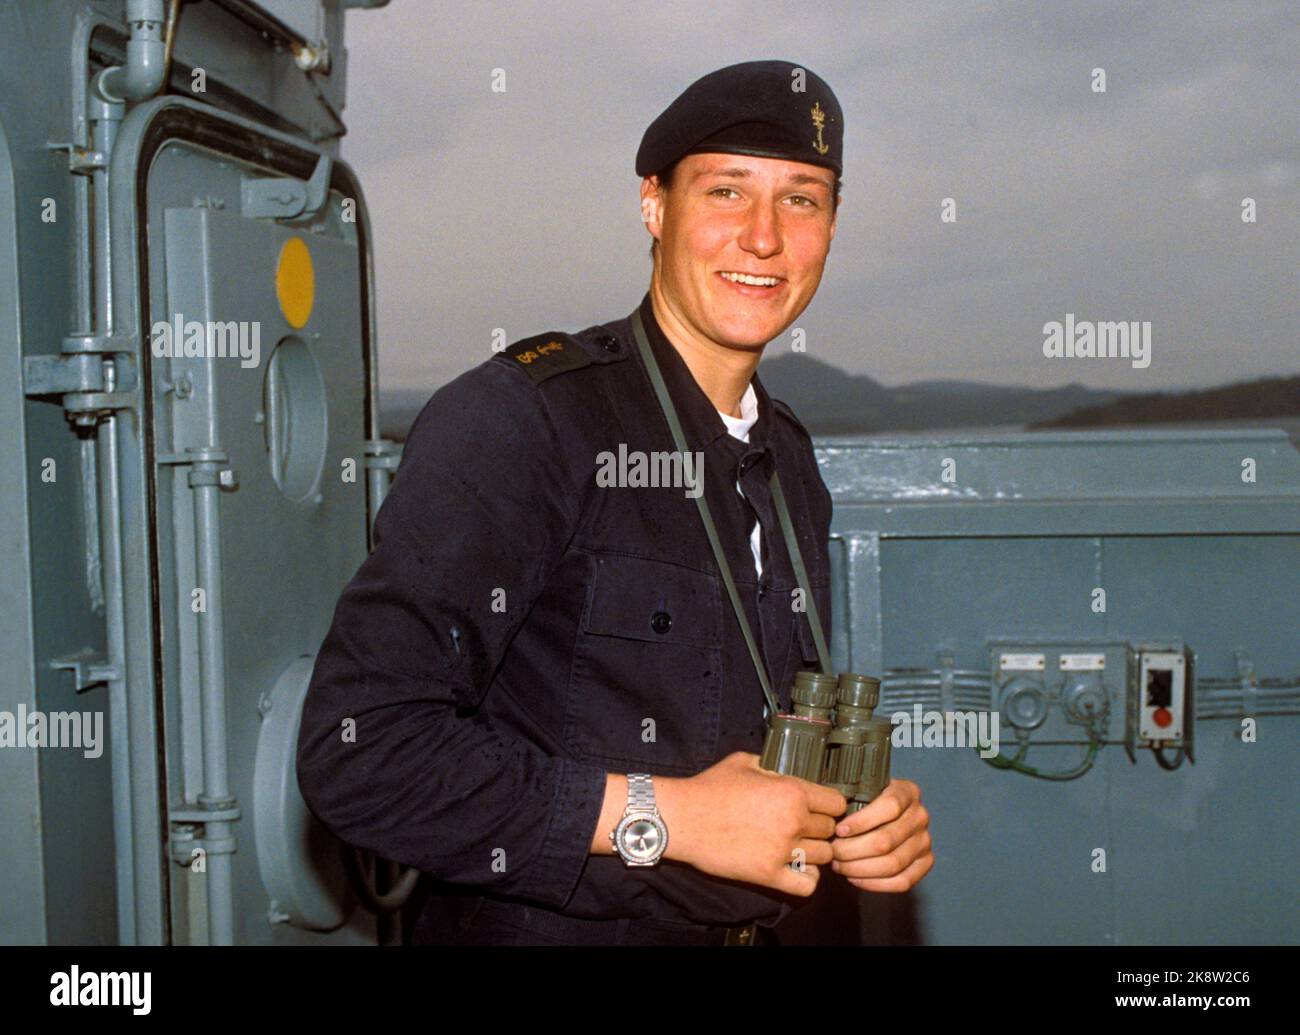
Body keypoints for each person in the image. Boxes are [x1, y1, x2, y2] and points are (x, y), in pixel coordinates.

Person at [296, 59, 933, 947]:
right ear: (654, 205)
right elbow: (361, 751)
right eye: (726, 191)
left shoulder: (786, 455)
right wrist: (668, 817)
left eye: (802, 199)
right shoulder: (525, 420)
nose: (763, 237)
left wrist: (855, 820)